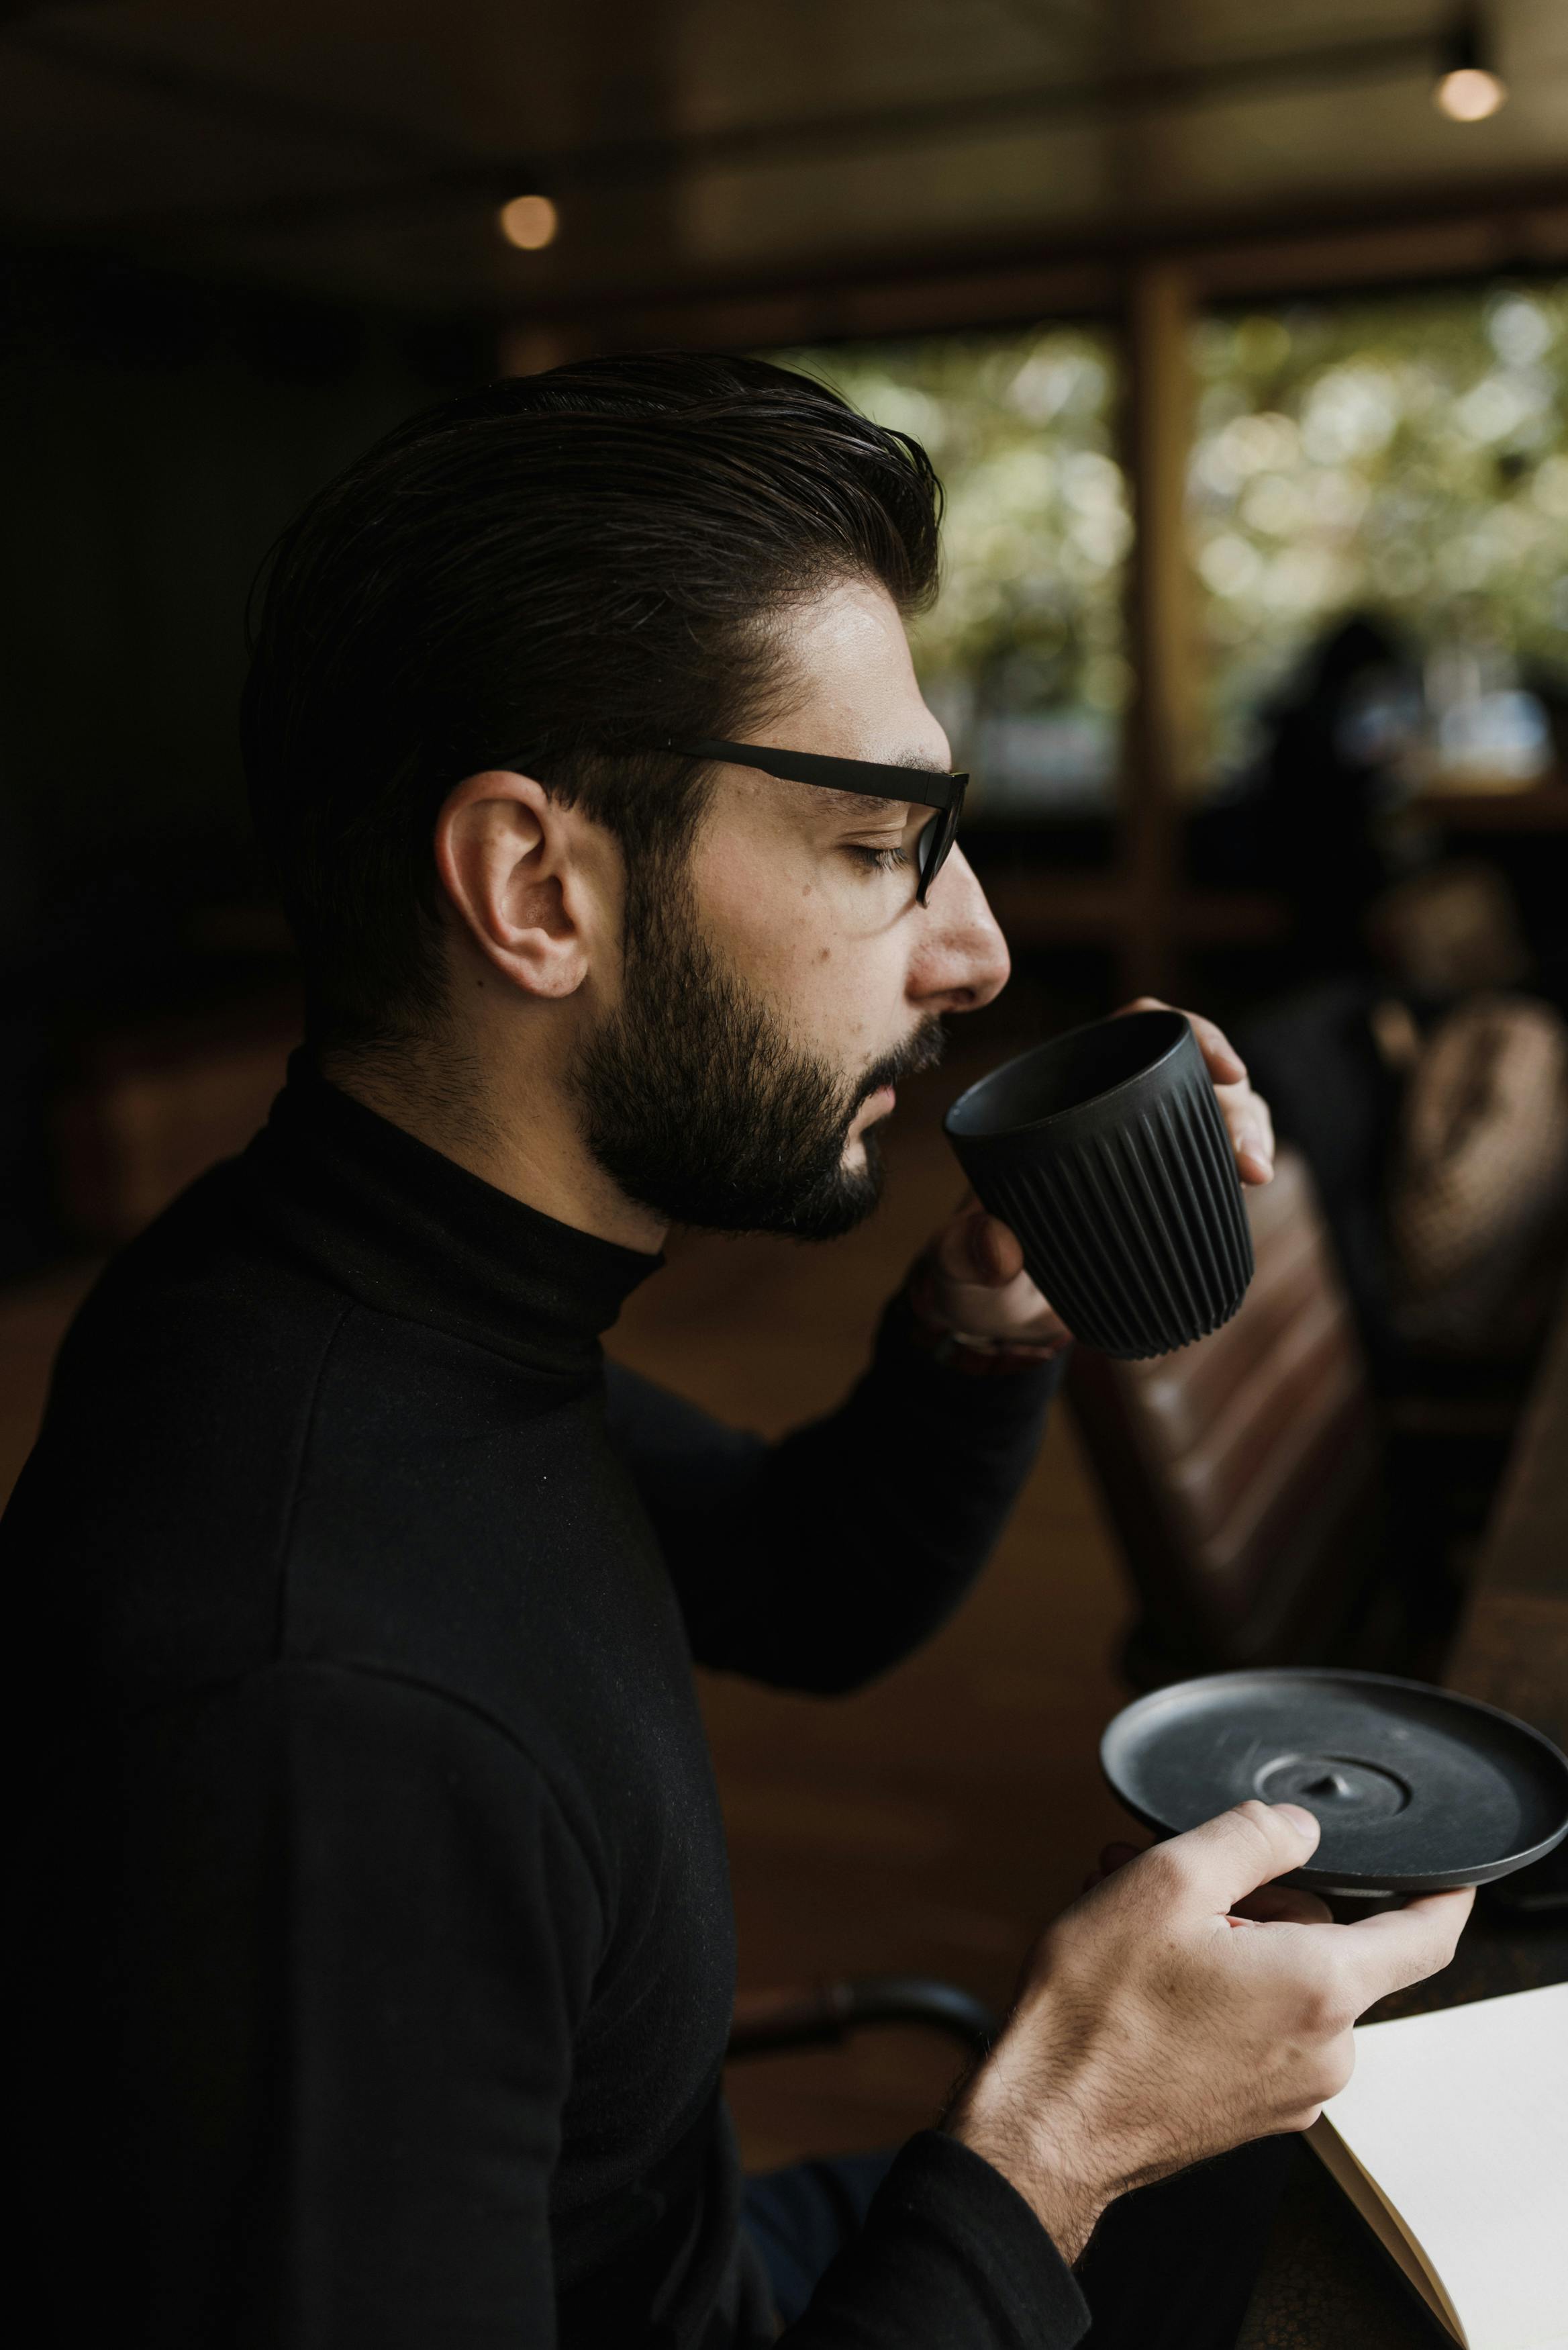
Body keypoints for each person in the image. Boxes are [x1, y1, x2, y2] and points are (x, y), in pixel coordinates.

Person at [8, 355, 1471, 2350]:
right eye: (882, 848)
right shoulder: (316, 1695)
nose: (974, 954)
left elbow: (808, 1575)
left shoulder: (357, 1293)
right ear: (540, 888)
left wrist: (987, 1307)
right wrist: (1049, 2137)